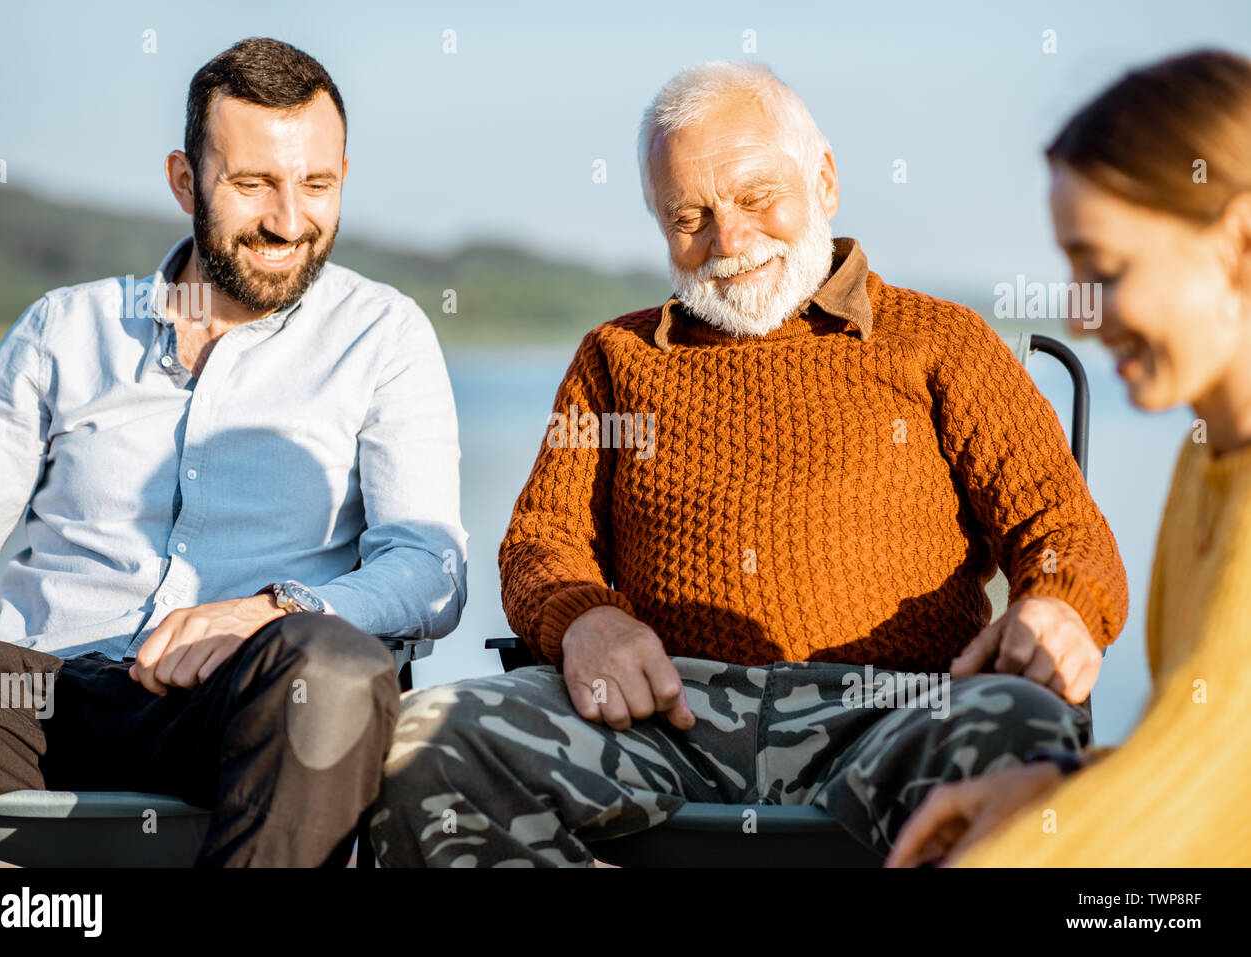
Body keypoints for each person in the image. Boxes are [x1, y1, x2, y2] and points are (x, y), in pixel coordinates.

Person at [372, 61, 1127, 867]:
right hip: (662, 713)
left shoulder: (944, 341)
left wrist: (1060, 604)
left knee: (1023, 731)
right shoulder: (615, 358)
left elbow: (1062, 531)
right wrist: (584, 619)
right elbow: (539, 544)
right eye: (689, 215)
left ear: (824, 179)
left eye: (757, 196)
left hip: (893, 711)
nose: (728, 241)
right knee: (419, 745)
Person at [0, 37, 467, 867]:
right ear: (184, 181)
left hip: (239, 709)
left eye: (317, 184)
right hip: (33, 703)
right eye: (254, 182)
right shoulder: (64, 329)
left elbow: (430, 570)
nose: (288, 220)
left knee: (329, 668)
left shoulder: (386, 336)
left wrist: (279, 610)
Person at [888, 49, 1251, 868]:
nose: (1081, 318)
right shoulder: (1208, 464)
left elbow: (1214, 783)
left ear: (1239, 240)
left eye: (1107, 270)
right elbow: (1207, 759)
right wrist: (1056, 782)